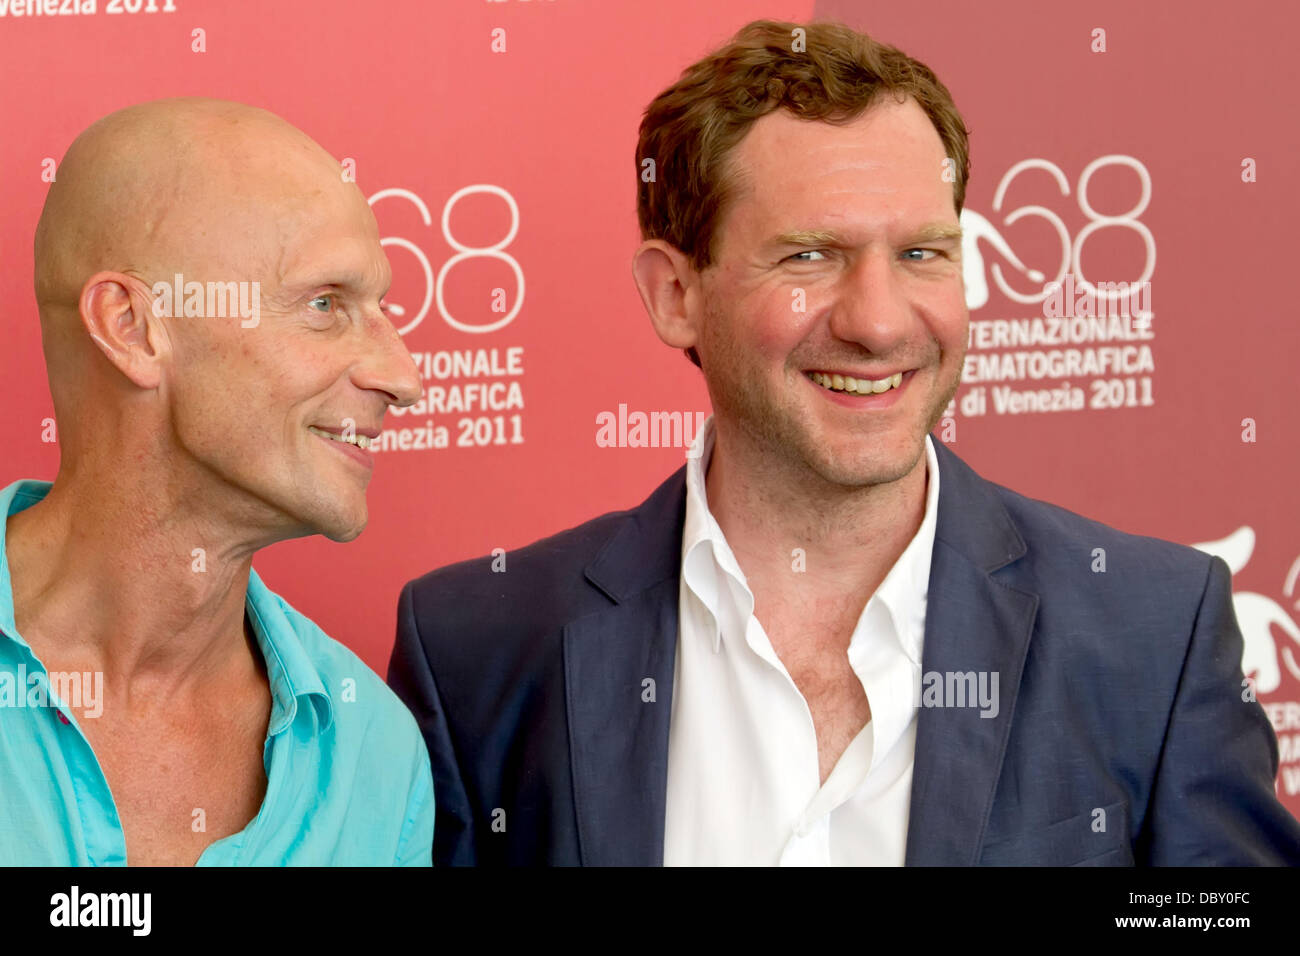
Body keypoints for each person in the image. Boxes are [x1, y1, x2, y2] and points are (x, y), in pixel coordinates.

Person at [389, 20, 1300, 865]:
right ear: (676, 295)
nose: (877, 323)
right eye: (810, 255)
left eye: (922, 254)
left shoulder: (1153, 631)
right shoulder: (481, 647)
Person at [1, 98, 433, 865]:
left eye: (382, 308)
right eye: (326, 304)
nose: (404, 378)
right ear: (132, 328)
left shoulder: (373, 753)